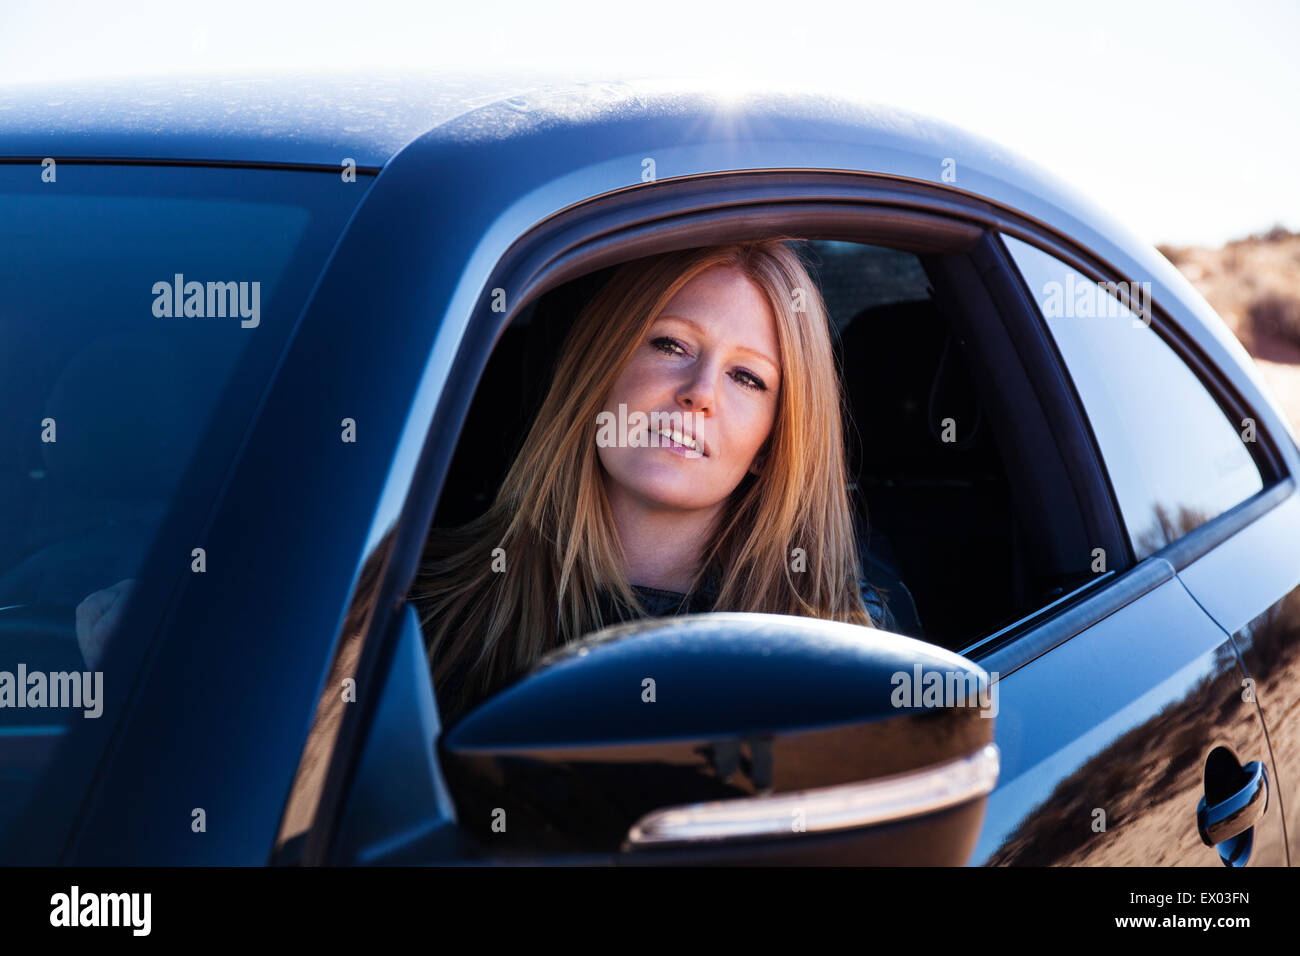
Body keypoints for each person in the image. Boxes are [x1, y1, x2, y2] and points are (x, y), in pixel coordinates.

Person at [409, 238, 902, 727]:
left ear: (771, 444)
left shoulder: (843, 644)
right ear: (600, 370)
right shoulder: (421, 610)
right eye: (671, 344)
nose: (700, 393)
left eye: (747, 377)